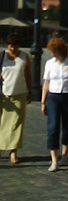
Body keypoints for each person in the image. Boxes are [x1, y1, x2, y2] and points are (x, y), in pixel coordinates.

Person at [41, 37, 68, 173]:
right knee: (53, 127)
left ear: (61, 51)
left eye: (54, 51)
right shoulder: (49, 64)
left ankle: (65, 154)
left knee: (67, 127)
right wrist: (43, 101)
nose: (52, 53)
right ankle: (54, 161)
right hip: (53, 97)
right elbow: (46, 83)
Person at [0, 31, 32, 165]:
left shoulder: (25, 57)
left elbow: (28, 75)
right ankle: (1, 148)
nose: (12, 48)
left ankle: (13, 152)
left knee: (16, 124)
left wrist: (30, 91)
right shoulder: (2, 56)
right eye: (10, 45)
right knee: (2, 123)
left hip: (19, 93)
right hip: (3, 95)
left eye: (15, 45)